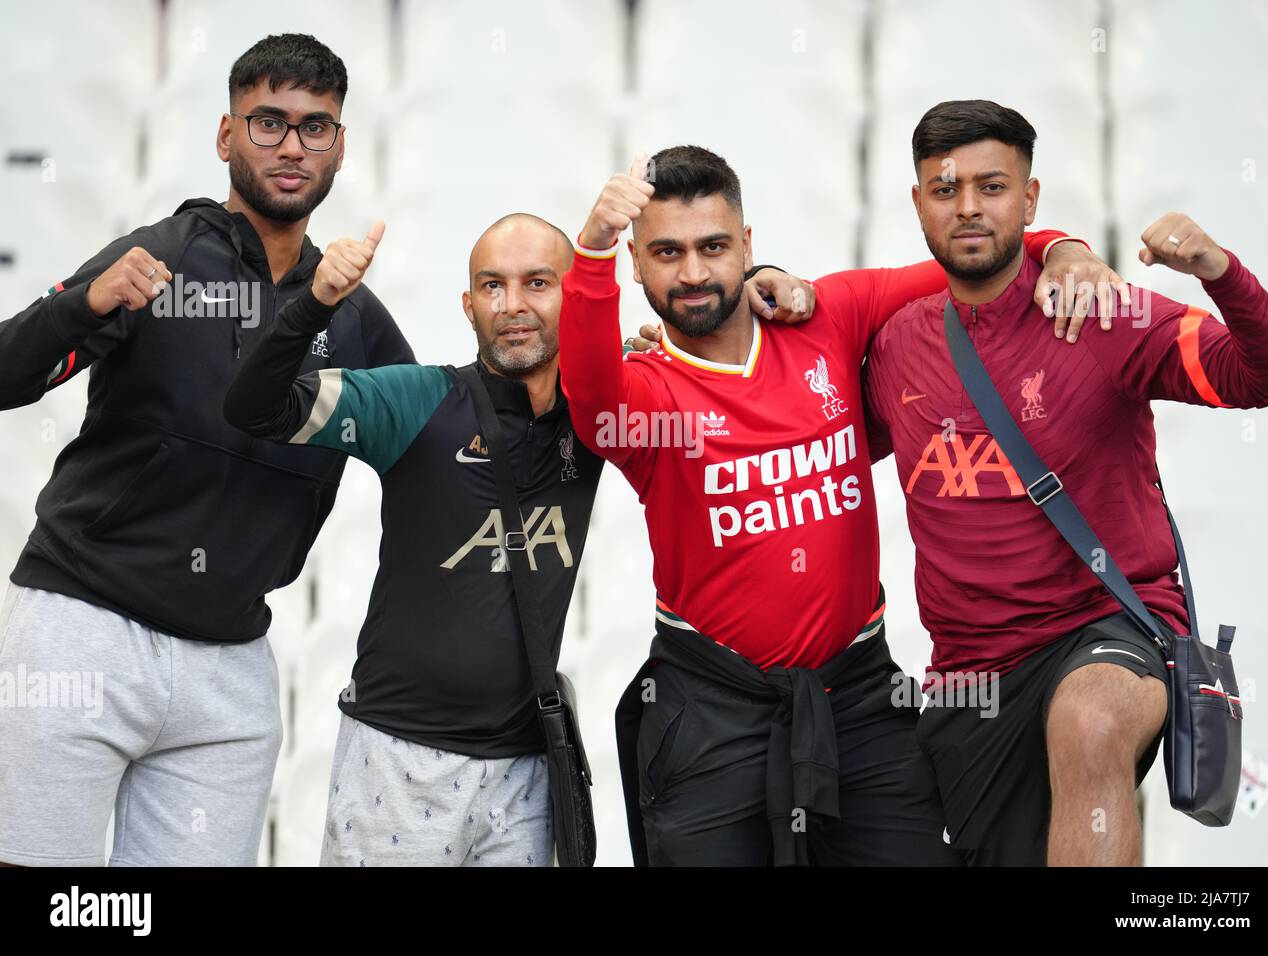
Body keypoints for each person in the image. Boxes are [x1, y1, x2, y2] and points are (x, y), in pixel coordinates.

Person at [559, 144, 1113, 866]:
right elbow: (589, 390)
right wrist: (591, 251)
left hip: (861, 700)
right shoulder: (645, 392)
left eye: (713, 247)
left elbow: (965, 261)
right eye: (666, 252)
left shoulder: (829, 314)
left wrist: (1059, 247)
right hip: (710, 707)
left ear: (749, 246)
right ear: (637, 263)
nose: (693, 272)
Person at [224, 212, 802, 865]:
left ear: (573, 298)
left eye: (538, 283)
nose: (513, 305)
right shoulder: (417, 400)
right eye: (493, 287)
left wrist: (762, 280)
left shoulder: (603, 409)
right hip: (395, 759)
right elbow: (253, 409)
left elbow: (731, 375)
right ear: (469, 306)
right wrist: (316, 304)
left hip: (527, 772)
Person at [0, 34, 414, 867]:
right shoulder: (159, 255)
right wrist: (81, 306)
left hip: (231, 668)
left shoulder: (356, 317)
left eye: (314, 127)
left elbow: (448, 434)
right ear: (226, 137)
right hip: (85, 629)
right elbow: (10, 375)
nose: (292, 145)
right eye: (268, 122)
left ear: (340, 146)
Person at [860, 99, 1268, 865]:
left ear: (1029, 200)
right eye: (944, 188)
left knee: (1091, 723)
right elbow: (807, 438)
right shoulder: (897, 344)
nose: (968, 207)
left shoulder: (1099, 311)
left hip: (1106, 626)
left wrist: (1217, 271)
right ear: (918, 204)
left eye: (992, 187)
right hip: (970, 674)